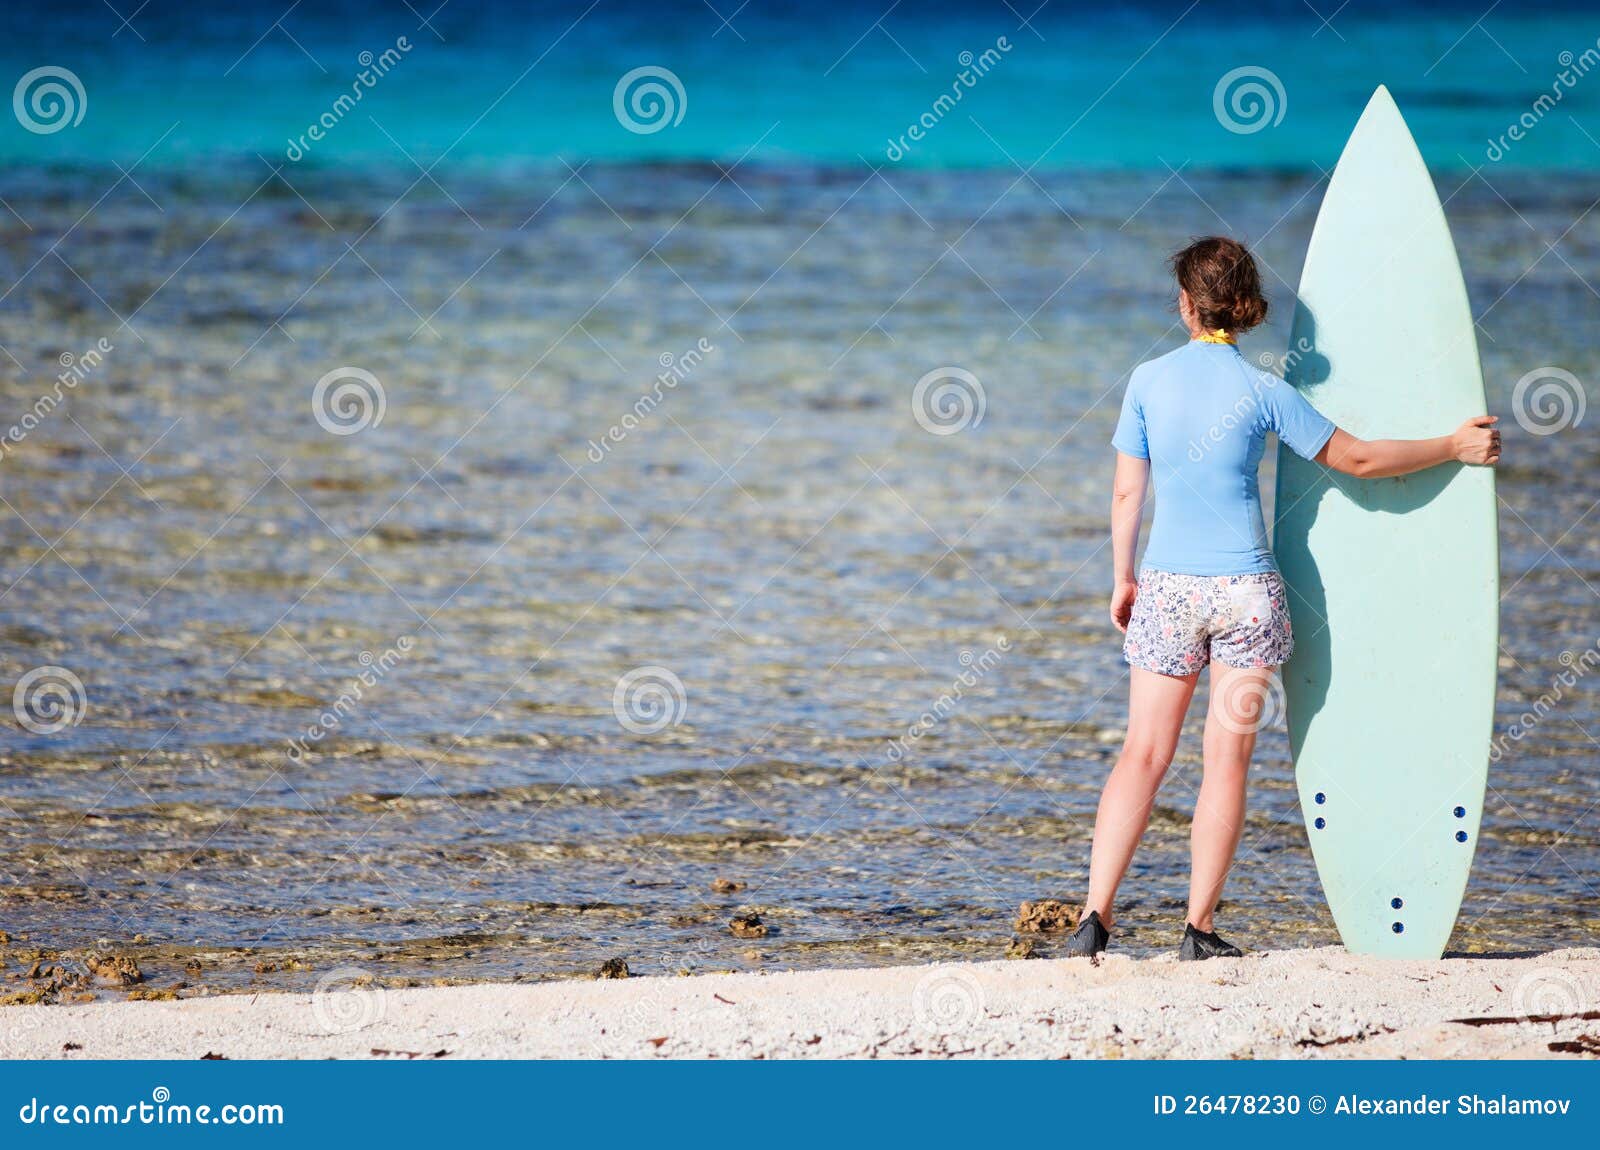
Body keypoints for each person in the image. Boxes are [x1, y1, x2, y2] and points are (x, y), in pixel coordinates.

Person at [1067, 236, 1501, 961]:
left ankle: (1094, 923)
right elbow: (1359, 459)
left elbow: (1125, 491)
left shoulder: (1147, 381)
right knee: (1225, 762)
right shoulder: (1264, 389)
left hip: (1169, 591)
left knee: (1142, 754)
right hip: (1247, 596)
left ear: (1185, 303)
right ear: (1241, 308)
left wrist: (1123, 577)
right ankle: (1197, 931)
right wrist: (1451, 445)